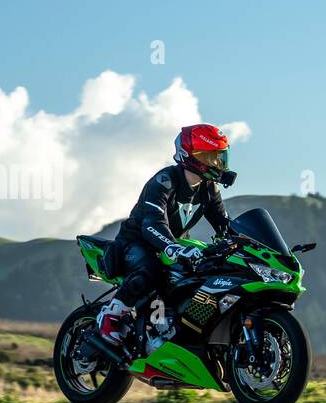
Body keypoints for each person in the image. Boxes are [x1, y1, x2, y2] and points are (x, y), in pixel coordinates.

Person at [95, 124, 237, 346]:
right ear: (190, 156)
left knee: (204, 272)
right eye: (210, 156)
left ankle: (174, 323)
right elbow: (152, 223)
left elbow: (224, 225)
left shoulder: (209, 188)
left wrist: (243, 242)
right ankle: (111, 315)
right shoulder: (164, 180)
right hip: (136, 241)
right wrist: (172, 247)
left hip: (173, 244)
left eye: (219, 157)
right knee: (151, 270)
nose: (217, 163)